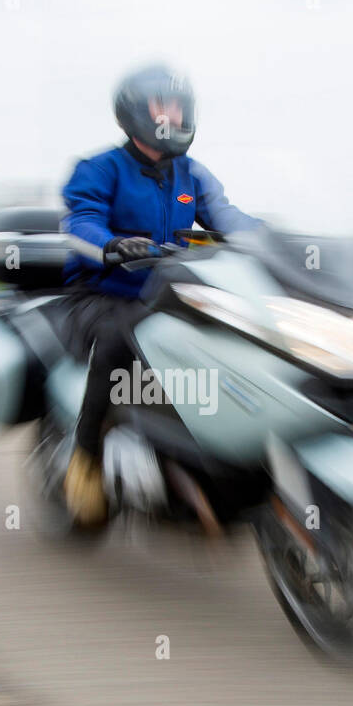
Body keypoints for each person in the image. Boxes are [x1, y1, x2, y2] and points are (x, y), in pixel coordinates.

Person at [59, 64, 261, 525]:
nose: (173, 114)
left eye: (179, 106)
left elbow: (229, 220)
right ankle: (84, 458)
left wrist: (281, 241)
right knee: (119, 337)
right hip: (104, 293)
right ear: (135, 112)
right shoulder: (100, 168)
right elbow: (81, 223)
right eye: (161, 105)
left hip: (170, 294)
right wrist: (110, 246)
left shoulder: (192, 174)